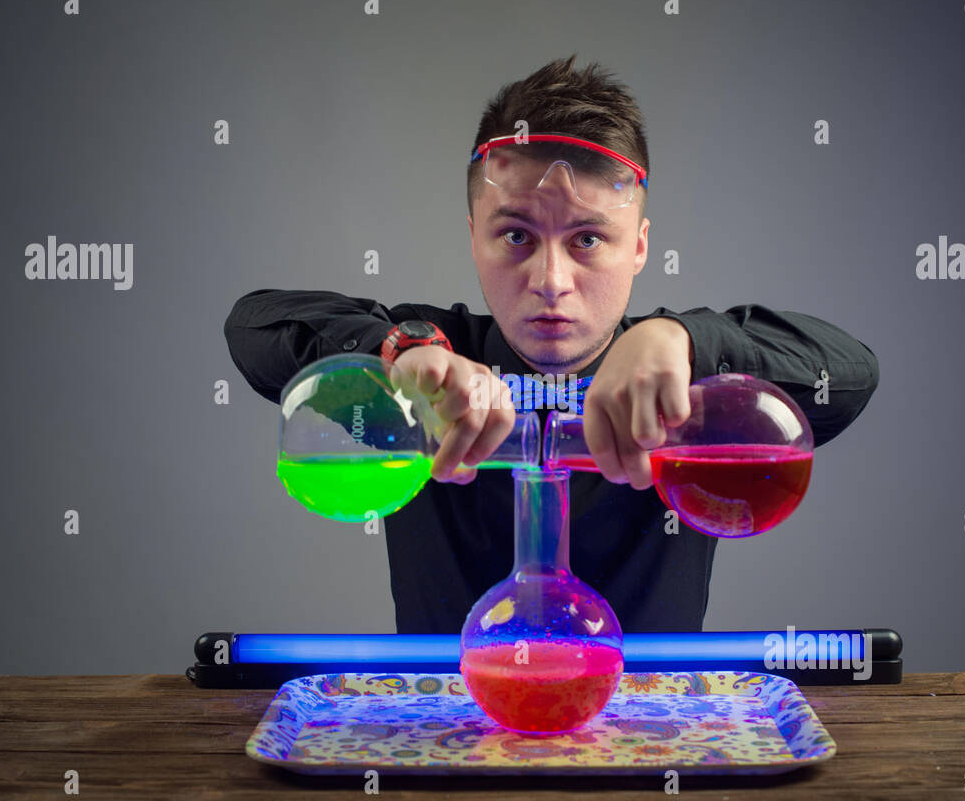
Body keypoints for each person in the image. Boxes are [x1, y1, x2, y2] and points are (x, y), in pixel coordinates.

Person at [224, 55, 879, 633]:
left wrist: (679, 338)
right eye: (515, 236)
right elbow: (254, 330)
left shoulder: (684, 386)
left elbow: (850, 373)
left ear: (641, 247)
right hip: (438, 744)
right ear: (472, 234)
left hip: (654, 749)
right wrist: (407, 353)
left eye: (588, 240)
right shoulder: (427, 370)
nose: (550, 281)